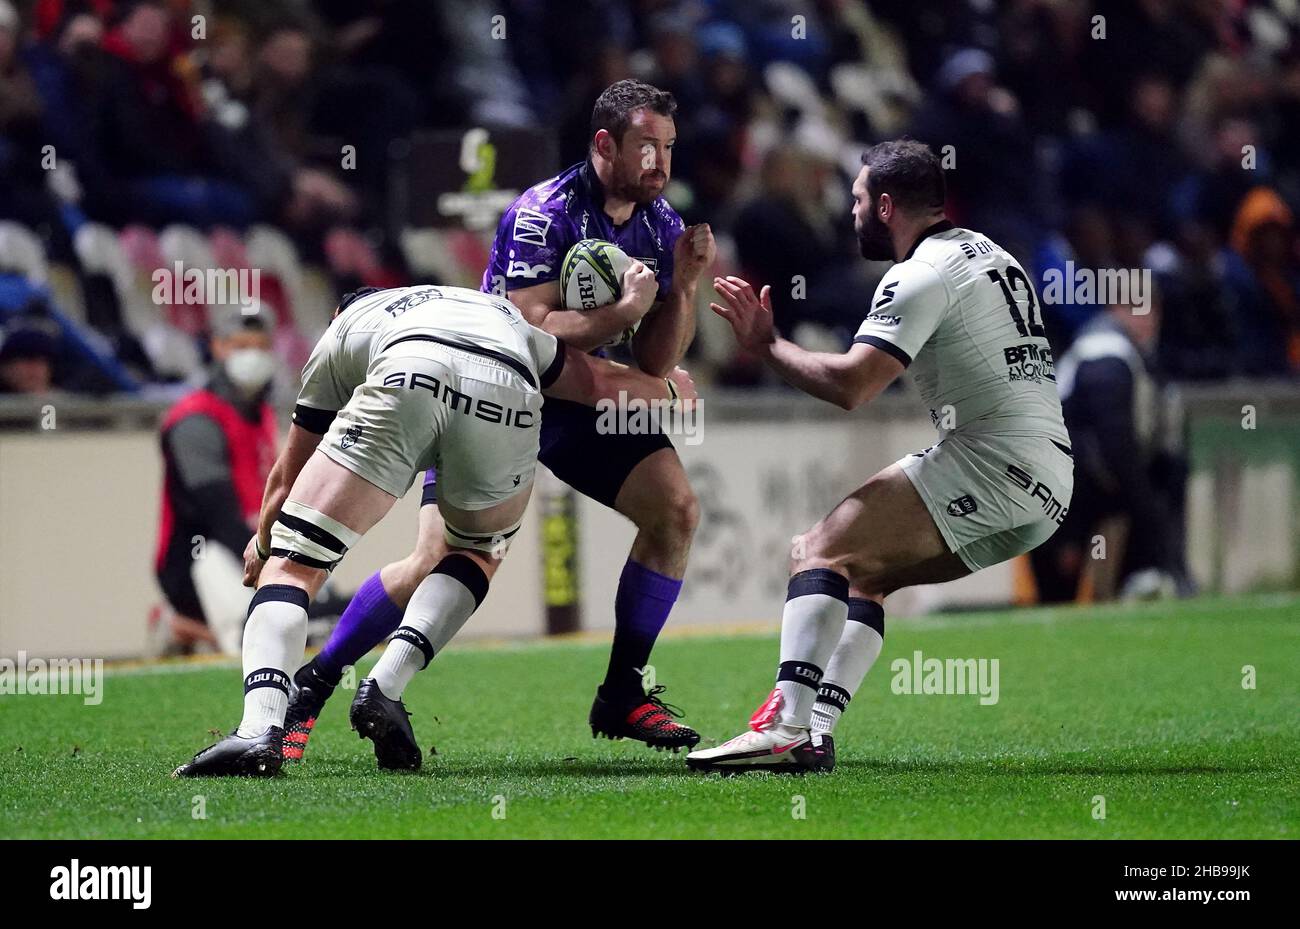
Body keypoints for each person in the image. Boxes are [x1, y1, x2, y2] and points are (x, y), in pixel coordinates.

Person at [280, 79, 716, 760]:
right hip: (500, 390)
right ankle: (319, 679)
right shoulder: (541, 213)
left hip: (581, 395)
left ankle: (623, 690)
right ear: (604, 144)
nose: (660, 163)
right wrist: (621, 314)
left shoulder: (660, 225)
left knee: (677, 511)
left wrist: (683, 288)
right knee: (436, 555)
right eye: (646, 147)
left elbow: (657, 360)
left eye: (667, 147)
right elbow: (528, 328)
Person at [173, 282, 695, 777]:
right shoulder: (491, 310)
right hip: (507, 382)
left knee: (297, 564)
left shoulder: (344, 329)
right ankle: (386, 684)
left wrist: (266, 544)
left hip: (409, 370)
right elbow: (598, 382)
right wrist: (666, 387)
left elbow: (289, 475)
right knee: (477, 550)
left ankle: (259, 727)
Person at [688, 139, 1073, 773]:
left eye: (860, 199)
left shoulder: (919, 273)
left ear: (888, 206)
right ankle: (812, 728)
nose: (852, 212)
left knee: (817, 551)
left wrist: (766, 346)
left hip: (997, 464)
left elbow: (852, 385)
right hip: (1047, 482)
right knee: (865, 575)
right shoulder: (994, 255)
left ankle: (783, 727)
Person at [1030, 296, 1193, 601]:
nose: (1146, 319)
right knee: (1058, 593)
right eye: (1134, 308)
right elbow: (1114, 443)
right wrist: (1146, 509)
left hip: (1085, 482)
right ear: (1114, 310)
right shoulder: (1105, 355)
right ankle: (1157, 573)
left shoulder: (1136, 356)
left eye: (1151, 309)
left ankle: (1153, 575)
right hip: (1062, 488)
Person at [154, 307, 278, 655]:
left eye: (261, 346)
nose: (253, 355)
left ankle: (190, 629)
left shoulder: (262, 415)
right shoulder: (195, 420)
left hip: (253, 546)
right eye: (241, 345)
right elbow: (218, 517)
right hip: (202, 557)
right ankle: (188, 622)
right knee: (255, 641)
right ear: (217, 347)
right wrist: (275, 562)